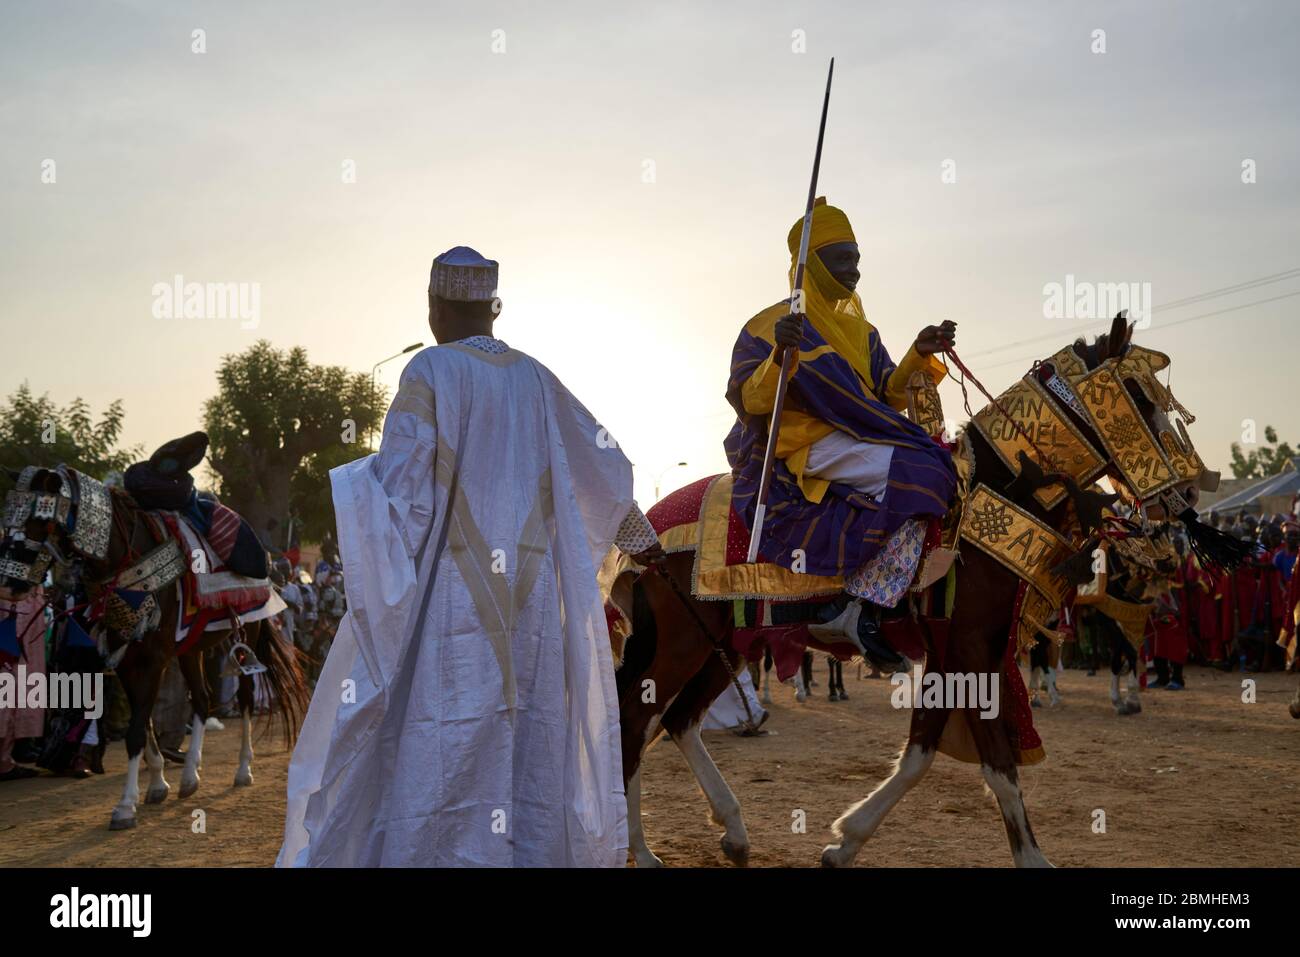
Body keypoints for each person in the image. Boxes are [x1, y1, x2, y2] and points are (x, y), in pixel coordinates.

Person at [279, 246, 663, 868]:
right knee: (527, 744)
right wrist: (645, 541)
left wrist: (354, 487)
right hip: (532, 612)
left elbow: (400, 501)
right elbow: (604, 469)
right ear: (492, 308)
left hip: (447, 608)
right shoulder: (538, 378)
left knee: (437, 739)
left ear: (435, 309)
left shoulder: (429, 373)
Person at [725, 198, 956, 668]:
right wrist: (780, 359)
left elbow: (887, 395)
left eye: (857, 259)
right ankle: (860, 604)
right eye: (842, 259)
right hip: (805, 444)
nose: (854, 270)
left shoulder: (862, 331)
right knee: (926, 475)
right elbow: (750, 400)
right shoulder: (769, 325)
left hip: (861, 437)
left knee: (946, 465)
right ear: (812, 264)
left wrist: (917, 354)